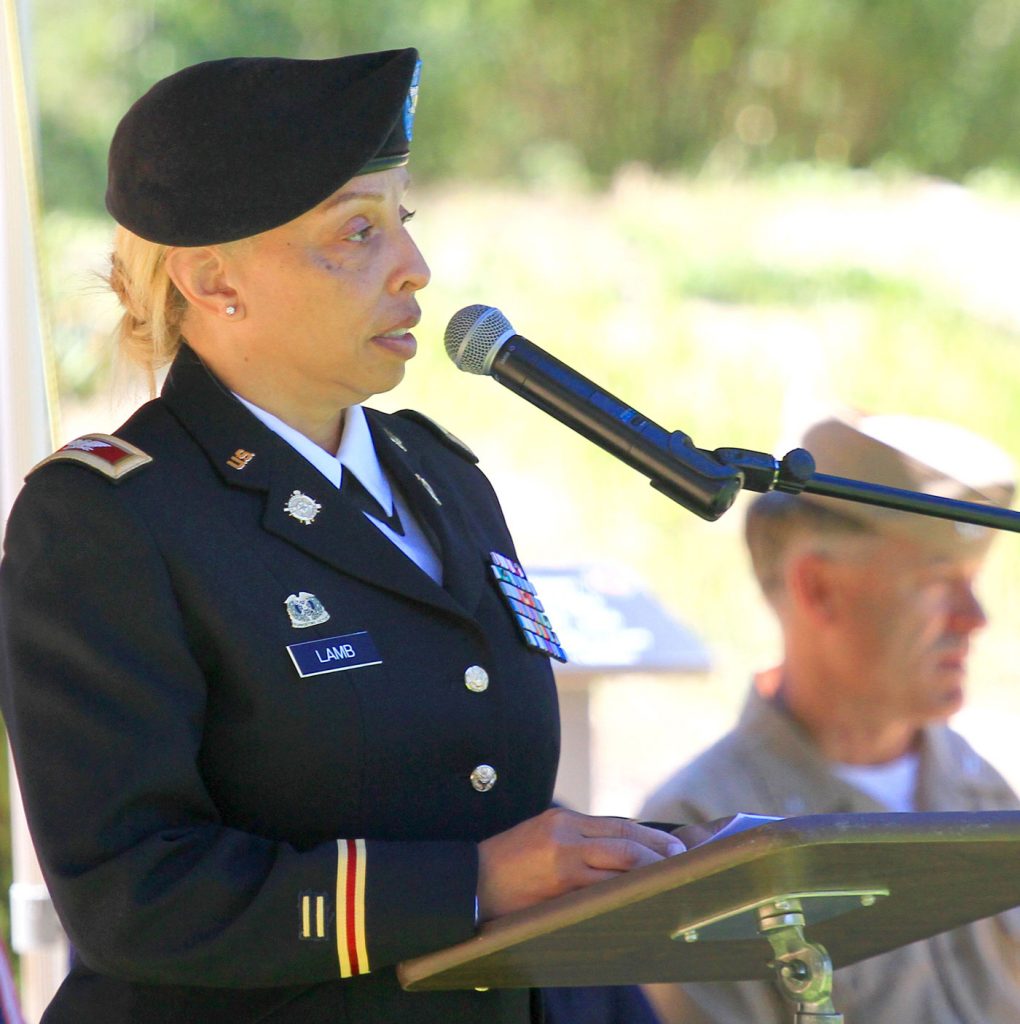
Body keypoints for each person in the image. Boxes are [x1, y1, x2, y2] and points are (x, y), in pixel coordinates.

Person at [0, 50, 683, 1024]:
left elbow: (492, 809)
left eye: (404, 220)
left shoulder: (440, 476)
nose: (415, 268)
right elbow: (134, 891)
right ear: (212, 279)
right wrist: (468, 883)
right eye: (356, 232)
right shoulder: (107, 519)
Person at [640, 412, 1020, 1023]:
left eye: (973, 583)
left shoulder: (985, 795)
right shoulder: (706, 834)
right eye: (936, 583)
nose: (974, 618)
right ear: (817, 588)